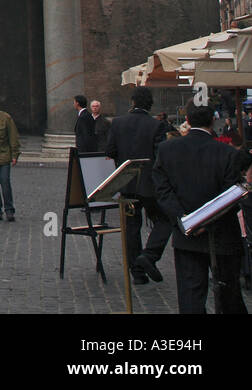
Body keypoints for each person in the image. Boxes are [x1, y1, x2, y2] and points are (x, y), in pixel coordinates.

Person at [153, 102, 248, 314]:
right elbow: (230, 196)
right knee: (228, 294)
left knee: (190, 296)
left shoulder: (167, 149)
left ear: (187, 120)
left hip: (186, 233)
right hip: (222, 234)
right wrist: (207, 221)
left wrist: (183, 218)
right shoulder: (227, 152)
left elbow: (162, 190)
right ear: (213, 121)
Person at [104, 85, 171, 286]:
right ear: (149, 105)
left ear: (132, 102)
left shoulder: (118, 123)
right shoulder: (156, 125)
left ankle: (137, 272)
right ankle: (149, 256)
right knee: (165, 220)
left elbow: (110, 150)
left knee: (131, 228)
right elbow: (160, 157)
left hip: (126, 184)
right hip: (150, 185)